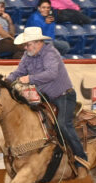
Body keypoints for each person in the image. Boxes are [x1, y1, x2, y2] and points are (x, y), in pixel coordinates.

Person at [6, 27, 88, 170]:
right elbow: (19, 71)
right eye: (25, 44)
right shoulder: (28, 55)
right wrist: (6, 81)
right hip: (46, 97)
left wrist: (29, 78)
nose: (25, 47)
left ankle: (81, 157)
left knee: (63, 124)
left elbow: (51, 74)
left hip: (64, 96)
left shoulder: (50, 53)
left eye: (28, 44)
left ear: (38, 42)